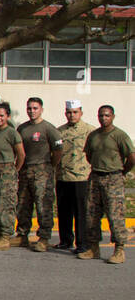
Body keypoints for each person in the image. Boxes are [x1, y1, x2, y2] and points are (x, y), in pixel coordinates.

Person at [78, 105, 134, 264]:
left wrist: (121, 172)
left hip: (113, 178)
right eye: (101, 115)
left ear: (113, 117)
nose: (104, 118)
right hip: (95, 177)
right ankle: (93, 248)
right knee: (91, 214)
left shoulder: (119, 135)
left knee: (115, 215)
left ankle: (119, 250)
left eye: (107, 115)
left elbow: (131, 158)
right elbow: (89, 155)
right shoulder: (93, 135)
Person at [14, 97, 62, 252]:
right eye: (29, 108)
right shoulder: (22, 128)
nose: (32, 111)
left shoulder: (49, 128)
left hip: (42, 171)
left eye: (35, 108)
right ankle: (22, 234)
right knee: (22, 204)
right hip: (25, 171)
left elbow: (58, 150)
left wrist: (50, 166)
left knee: (43, 205)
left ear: (41, 109)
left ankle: (44, 237)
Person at [56, 101, 95, 254]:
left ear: (81, 112)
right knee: (64, 211)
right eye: (69, 112)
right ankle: (65, 240)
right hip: (63, 176)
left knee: (80, 212)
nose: (71, 115)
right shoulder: (59, 131)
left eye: (75, 112)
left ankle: (82, 243)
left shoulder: (89, 131)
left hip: (81, 177)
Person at [0, 104, 25, 251]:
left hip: (7, 171)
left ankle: (5, 236)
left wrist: (15, 170)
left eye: (1, 115)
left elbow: (21, 155)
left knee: (5, 205)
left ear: (7, 116)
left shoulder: (11, 133)